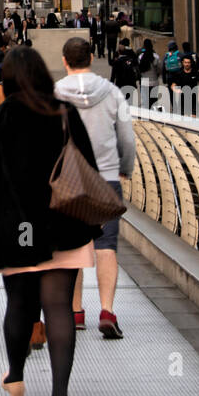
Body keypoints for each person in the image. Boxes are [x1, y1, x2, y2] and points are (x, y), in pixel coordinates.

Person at [0, 47, 102, 396]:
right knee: (58, 307)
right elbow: (87, 166)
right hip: (64, 225)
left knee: (20, 305)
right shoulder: (64, 114)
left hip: (15, 229)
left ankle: (17, 377)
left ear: (5, 80)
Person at [54, 37, 136, 339]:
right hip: (106, 178)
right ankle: (107, 310)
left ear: (65, 61)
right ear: (90, 58)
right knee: (106, 246)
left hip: (69, 182)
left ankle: (75, 311)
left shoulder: (55, 94)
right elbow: (126, 137)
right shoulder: (113, 93)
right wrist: (125, 167)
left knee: (74, 247)